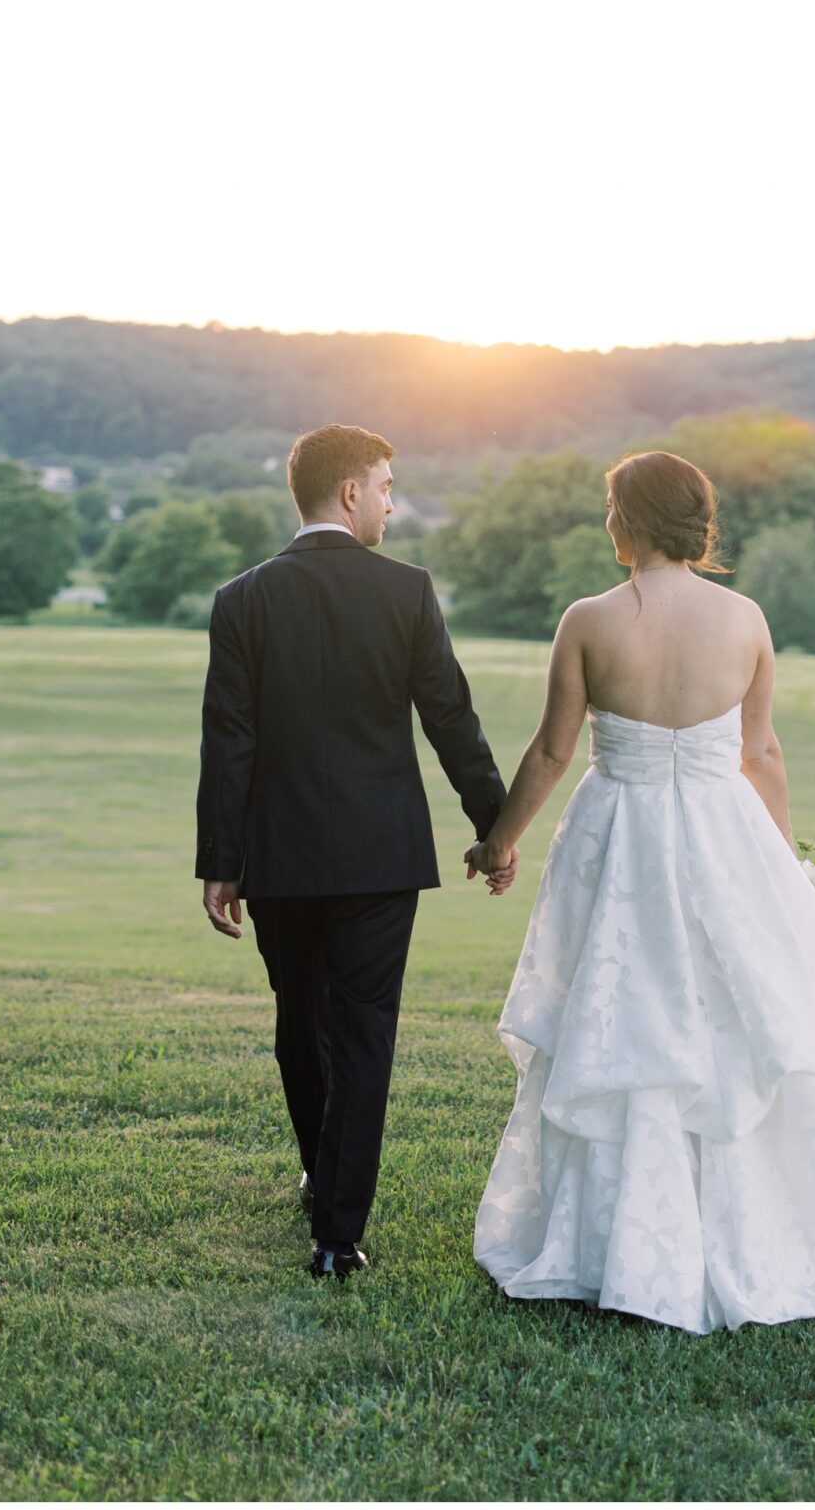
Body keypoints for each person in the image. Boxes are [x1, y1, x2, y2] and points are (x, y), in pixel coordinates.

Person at [465, 449, 815, 1334]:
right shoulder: (744, 619)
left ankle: (617, 1247)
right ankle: (744, 1235)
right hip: (723, 835)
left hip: (618, 837)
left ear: (633, 520)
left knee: (627, 1021)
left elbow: (550, 751)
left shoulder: (588, 619)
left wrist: (499, 841)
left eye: (611, 507)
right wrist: (784, 868)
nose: (606, 521)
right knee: (729, 1021)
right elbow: (759, 753)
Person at [195, 422, 513, 1279]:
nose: (390, 505)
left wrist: (220, 861)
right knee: (364, 1033)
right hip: (380, 856)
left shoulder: (241, 599)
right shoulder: (407, 591)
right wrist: (494, 826)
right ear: (348, 493)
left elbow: (228, 741)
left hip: (279, 857)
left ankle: (320, 1177)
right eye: (384, 488)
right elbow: (450, 718)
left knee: (300, 1024)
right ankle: (338, 1238)